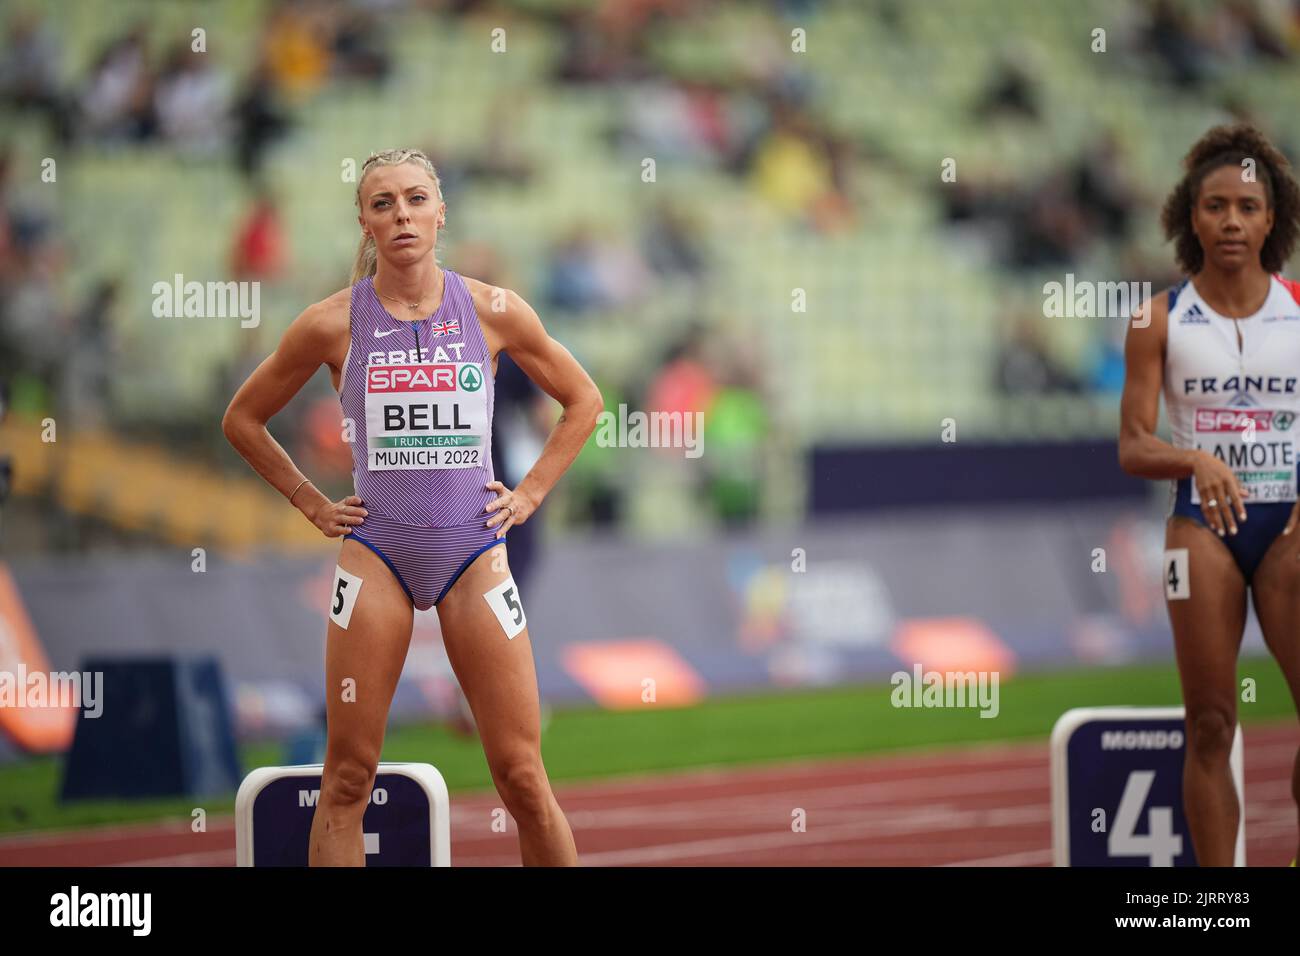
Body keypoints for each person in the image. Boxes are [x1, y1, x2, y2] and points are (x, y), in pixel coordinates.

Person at [222, 148, 602, 866]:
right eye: (384, 203)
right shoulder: (331, 324)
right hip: (377, 556)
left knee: (523, 778)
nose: (402, 215)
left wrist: (530, 494)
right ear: (364, 221)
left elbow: (584, 401)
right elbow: (242, 420)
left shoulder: (493, 310)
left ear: (441, 211)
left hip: (475, 557)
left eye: (416, 199)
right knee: (347, 779)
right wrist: (309, 501)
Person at [1119, 124, 1300, 866]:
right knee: (1211, 726)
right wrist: (1195, 458)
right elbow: (1132, 445)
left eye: (1247, 207)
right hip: (1202, 529)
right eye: (1216, 205)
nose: (1231, 220)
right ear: (1189, 218)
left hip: (1290, 524)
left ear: (1271, 220)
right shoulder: (1154, 318)